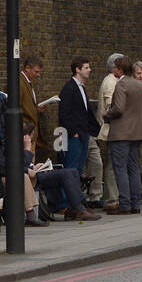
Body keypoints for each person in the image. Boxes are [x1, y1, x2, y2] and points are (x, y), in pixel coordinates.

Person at [103, 56, 142, 215]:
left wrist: (107, 113)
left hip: (121, 133)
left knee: (120, 169)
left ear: (120, 70)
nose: (113, 69)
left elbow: (119, 108)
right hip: (137, 132)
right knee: (134, 168)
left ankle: (125, 205)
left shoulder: (121, 84)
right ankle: (135, 204)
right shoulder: (140, 84)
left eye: (115, 67)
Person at [58, 56, 99, 187]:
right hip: (74, 136)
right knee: (71, 169)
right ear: (77, 69)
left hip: (83, 134)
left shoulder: (82, 88)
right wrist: (73, 132)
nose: (89, 70)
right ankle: (67, 198)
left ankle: (76, 197)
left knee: (79, 169)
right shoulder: (69, 88)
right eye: (86, 67)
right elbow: (63, 113)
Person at [96, 53, 123, 210]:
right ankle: (111, 200)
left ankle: (114, 197)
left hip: (113, 130)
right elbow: (111, 107)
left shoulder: (114, 81)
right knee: (112, 166)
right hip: (109, 131)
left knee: (114, 165)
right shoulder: (110, 83)